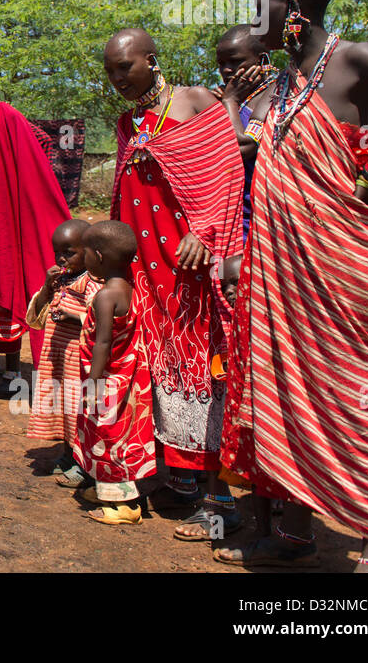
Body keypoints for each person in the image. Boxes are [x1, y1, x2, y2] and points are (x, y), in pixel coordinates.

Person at [217, 0, 368, 573]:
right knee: (280, 388)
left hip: (335, 261)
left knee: (345, 390)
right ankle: (298, 530)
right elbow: (239, 151)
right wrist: (234, 97)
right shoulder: (283, 81)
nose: (254, 25)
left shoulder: (354, 60)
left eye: (262, 10)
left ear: (295, 8)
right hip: (278, 265)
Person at [104, 27, 245, 542]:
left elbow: (228, 173)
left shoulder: (194, 101)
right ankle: (179, 480)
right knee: (158, 368)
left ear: (151, 60)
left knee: (204, 372)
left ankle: (221, 501)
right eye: (111, 71)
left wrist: (205, 233)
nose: (118, 78)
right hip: (147, 267)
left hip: (190, 264)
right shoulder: (127, 122)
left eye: (126, 67)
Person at [0, 64, 70, 396]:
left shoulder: (8, 117)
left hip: (2, 218)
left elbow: (32, 156)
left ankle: (13, 375)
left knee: (6, 291)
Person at [74, 220, 156, 525]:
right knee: (119, 434)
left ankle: (125, 505)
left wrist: (93, 381)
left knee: (108, 437)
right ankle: (109, 490)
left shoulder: (105, 296)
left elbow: (103, 342)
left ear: (97, 255)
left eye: (84, 253)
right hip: (129, 379)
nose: (82, 259)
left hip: (107, 380)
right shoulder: (131, 287)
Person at [25, 218, 97, 483]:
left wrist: (73, 317)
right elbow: (34, 318)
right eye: (58, 252)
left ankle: (82, 464)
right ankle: (68, 454)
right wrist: (46, 287)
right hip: (57, 361)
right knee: (64, 409)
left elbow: (100, 319)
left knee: (78, 410)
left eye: (70, 252)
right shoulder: (60, 280)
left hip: (79, 360)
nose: (62, 258)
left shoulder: (93, 283)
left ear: (88, 251)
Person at [216, 23, 275, 236]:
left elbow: (243, 148)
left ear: (262, 60)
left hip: (262, 219)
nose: (227, 70)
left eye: (236, 61)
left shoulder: (275, 93)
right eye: (221, 63)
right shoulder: (229, 98)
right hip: (231, 215)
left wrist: (229, 101)